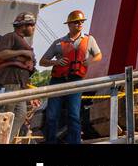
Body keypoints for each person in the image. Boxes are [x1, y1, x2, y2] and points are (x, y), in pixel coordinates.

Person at [39, 9, 102, 145]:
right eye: (76, 22)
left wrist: (90, 61)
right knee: (52, 115)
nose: (79, 24)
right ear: (69, 25)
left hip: (76, 80)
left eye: (81, 22)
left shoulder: (89, 40)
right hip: (57, 81)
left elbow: (98, 55)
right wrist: (55, 62)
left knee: (74, 114)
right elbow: (42, 61)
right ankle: (51, 142)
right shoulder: (58, 43)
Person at [0, 12, 37, 143]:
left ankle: (5, 142)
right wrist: (23, 52)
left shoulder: (21, 41)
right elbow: (0, 54)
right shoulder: (11, 37)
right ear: (23, 25)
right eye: (32, 25)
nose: (33, 28)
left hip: (19, 86)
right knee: (2, 116)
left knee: (20, 115)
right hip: (7, 83)